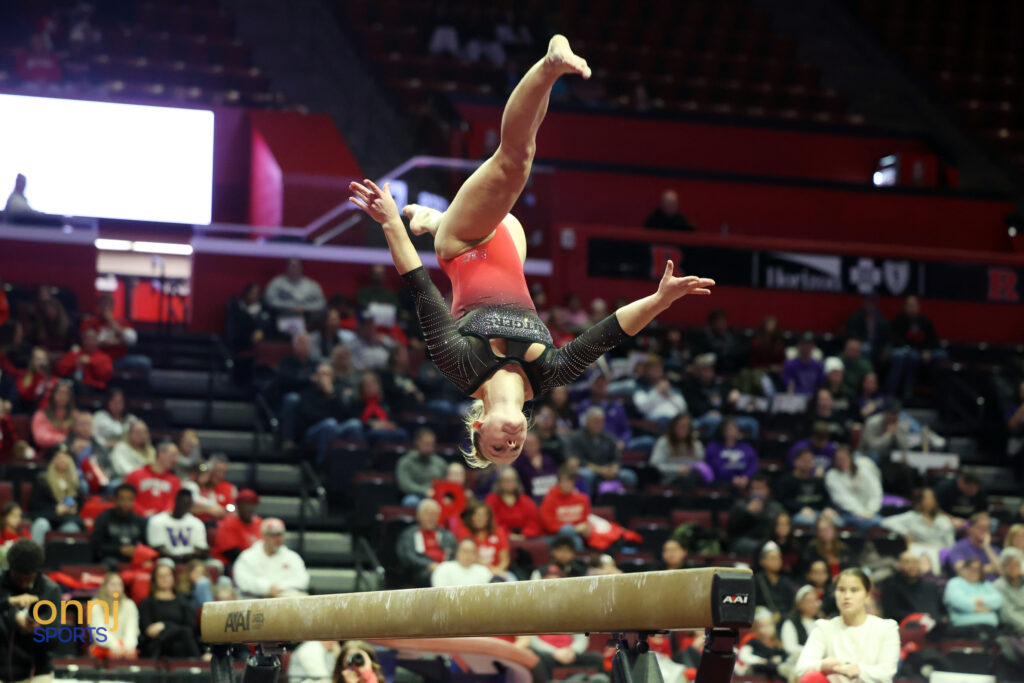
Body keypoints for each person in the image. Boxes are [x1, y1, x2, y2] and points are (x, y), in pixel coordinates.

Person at [350, 41, 714, 470]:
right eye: (515, 450)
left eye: (496, 447)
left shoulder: (461, 367)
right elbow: (609, 333)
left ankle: (549, 64)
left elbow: (420, 286)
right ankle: (433, 218)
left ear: (477, 426)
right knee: (515, 179)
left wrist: (390, 221)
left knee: (515, 160)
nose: (511, 443)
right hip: (509, 244)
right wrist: (660, 300)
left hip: (465, 244)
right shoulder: (548, 376)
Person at [794, 568, 899, 683]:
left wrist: (857, 670)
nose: (847, 596)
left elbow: (886, 672)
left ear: (867, 595)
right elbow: (801, 667)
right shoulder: (824, 628)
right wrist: (823, 665)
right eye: (841, 590)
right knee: (811, 678)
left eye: (854, 590)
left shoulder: (886, 628)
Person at [0, 540, 62, 682]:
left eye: (29, 579)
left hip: (37, 670)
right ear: (11, 569)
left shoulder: (50, 590)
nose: (24, 584)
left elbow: (54, 641)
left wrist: (36, 630)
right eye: (19, 579)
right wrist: (8, 602)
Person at [300, 362, 364, 467]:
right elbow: (308, 416)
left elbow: (346, 415)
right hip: (313, 431)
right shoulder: (308, 392)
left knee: (355, 424)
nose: (325, 378)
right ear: (315, 377)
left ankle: (357, 465)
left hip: (336, 427)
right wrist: (331, 417)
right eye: (322, 374)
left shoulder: (336, 393)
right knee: (330, 424)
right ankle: (324, 465)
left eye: (328, 374)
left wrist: (332, 396)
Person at [562, 406, 637, 491]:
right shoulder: (576, 437)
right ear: (587, 422)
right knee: (586, 474)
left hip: (607, 470)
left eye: (601, 422)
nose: (599, 425)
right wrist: (600, 470)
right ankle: (587, 502)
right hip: (590, 469)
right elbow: (578, 460)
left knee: (629, 476)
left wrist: (615, 468)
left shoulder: (608, 437)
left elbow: (616, 457)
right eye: (595, 422)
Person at [882, 488, 955, 574]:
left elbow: (951, 545)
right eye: (925, 498)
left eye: (931, 498)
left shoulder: (943, 520)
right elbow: (886, 522)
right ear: (920, 501)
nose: (928, 501)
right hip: (922, 552)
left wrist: (945, 555)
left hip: (943, 555)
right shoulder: (912, 517)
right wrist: (906, 532)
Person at [138, 561, 202, 658]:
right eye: (161, 576)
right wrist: (175, 629)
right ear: (155, 580)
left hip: (183, 642)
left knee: (183, 638)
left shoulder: (183, 602)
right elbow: (149, 631)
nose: (165, 579)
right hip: (158, 644)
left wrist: (164, 625)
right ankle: (198, 663)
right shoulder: (147, 603)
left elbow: (190, 628)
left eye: (168, 575)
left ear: (173, 578)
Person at [233, 517, 309, 598]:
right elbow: (243, 581)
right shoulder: (248, 556)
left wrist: (280, 587)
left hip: (284, 596)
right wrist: (267, 588)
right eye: (273, 535)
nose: (278, 539)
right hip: (254, 598)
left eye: (280, 534)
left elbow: (303, 580)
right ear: (263, 535)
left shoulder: (293, 557)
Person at [887, 296, 941, 400]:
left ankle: (935, 396)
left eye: (914, 305)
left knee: (940, 355)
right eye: (909, 305)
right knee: (904, 356)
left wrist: (926, 351)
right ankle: (892, 395)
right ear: (905, 307)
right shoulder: (899, 320)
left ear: (919, 307)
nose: (912, 308)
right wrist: (907, 348)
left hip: (920, 353)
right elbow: (893, 339)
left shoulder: (924, 322)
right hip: (903, 352)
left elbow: (934, 341)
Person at [28, 447, 84, 544]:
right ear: (53, 460)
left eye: (65, 457)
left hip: (65, 519)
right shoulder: (43, 479)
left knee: (72, 527)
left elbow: (79, 503)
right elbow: (34, 504)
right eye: (58, 457)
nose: (62, 460)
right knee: (41, 524)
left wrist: (73, 509)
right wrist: (55, 509)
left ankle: (64, 558)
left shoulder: (75, 483)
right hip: (46, 516)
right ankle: (37, 556)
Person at [397, 499, 457, 587]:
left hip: (446, 570)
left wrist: (444, 567)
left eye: (434, 514)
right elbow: (408, 556)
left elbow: (454, 554)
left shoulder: (447, 535)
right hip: (421, 572)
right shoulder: (409, 535)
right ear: (418, 515)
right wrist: (429, 564)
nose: (431, 518)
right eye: (427, 514)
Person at [824, 445, 882, 530]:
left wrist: (871, 510)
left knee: (879, 522)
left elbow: (876, 492)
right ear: (835, 461)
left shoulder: (864, 469)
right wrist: (860, 512)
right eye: (839, 459)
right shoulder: (832, 475)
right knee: (867, 523)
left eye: (844, 458)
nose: (842, 461)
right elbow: (843, 498)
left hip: (871, 512)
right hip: (847, 513)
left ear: (850, 457)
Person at [276, 332, 319, 447]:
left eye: (307, 344)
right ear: (294, 345)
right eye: (301, 343)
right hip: (287, 399)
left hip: (310, 398)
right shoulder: (286, 362)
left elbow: (316, 382)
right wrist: (308, 380)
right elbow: (286, 380)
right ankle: (287, 439)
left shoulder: (314, 364)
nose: (305, 346)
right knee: (293, 399)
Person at [90, 483, 148, 568]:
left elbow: (146, 546)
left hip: (135, 560)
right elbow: (96, 546)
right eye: (122, 499)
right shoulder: (104, 519)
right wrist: (119, 549)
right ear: (115, 500)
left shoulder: (140, 521)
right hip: (109, 560)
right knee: (111, 563)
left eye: (130, 499)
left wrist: (136, 551)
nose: (126, 503)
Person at [726, 473, 785, 556]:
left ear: (768, 489)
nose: (756, 492)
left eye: (760, 488)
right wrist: (747, 513)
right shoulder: (740, 505)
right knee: (765, 548)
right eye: (753, 489)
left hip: (768, 541)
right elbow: (731, 530)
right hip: (743, 541)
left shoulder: (775, 507)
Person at [880, 550, 944, 625]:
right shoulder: (891, 586)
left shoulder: (930, 587)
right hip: (907, 628)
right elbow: (891, 613)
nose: (911, 565)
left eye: (914, 562)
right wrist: (919, 617)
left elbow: (942, 611)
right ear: (899, 564)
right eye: (907, 562)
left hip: (936, 627)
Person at [943, 557, 1002, 637]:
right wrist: (983, 608)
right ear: (963, 570)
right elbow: (959, 602)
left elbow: (998, 600)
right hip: (964, 626)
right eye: (970, 569)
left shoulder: (985, 584)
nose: (973, 572)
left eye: (977, 570)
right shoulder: (955, 582)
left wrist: (978, 601)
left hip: (990, 624)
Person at [146, 488, 208, 562]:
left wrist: (184, 558)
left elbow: (200, 548)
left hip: (190, 560)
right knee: (166, 563)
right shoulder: (157, 520)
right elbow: (157, 547)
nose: (184, 506)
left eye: (187, 503)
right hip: (165, 559)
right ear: (176, 500)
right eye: (182, 502)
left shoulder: (197, 523)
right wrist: (176, 558)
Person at [775, 448, 833, 526]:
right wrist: (800, 509)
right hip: (796, 513)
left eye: (810, 460)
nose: (807, 463)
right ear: (795, 461)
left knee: (836, 521)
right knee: (811, 521)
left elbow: (827, 499)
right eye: (804, 460)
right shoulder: (786, 481)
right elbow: (783, 501)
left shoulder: (818, 481)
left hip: (818, 513)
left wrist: (827, 508)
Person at [89, 572, 139, 660]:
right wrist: (114, 645)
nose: (116, 588)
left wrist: (128, 646)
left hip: (126, 649)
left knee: (132, 654)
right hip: (104, 646)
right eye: (113, 585)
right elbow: (99, 631)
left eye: (119, 585)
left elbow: (132, 629)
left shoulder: (129, 604)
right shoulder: (95, 604)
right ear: (105, 587)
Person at [125, 440, 181, 517]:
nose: (175, 460)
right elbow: (126, 498)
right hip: (138, 519)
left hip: (163, 522)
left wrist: (164, 515)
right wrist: (142, 512)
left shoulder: (175, 481)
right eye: (173, 455)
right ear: (161, 453)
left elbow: (173, 502)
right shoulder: (135, 475)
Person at [539, 466, 591, 549]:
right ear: (559, 483)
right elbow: (549, 525)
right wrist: (574, 529)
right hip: (555, 537)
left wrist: (584, 529)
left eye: (570, 481)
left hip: (576, 536)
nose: (567, 484)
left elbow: (584, 522)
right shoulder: (549, 499)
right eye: (564, 481)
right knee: (569, 532)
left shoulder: (583, 499)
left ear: (574, 482)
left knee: (578, 537)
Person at [649, 413, 707, 486]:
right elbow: (655, 463)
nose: (684, 429)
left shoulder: (696, 444)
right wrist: (677, 469)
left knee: (695, 475)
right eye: (681, 426)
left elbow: (700, 463)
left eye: (687, 427)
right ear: (674, 427)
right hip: (669, 477)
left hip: (692, 476)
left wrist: (688, 469)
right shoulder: (664, 441)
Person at [483, 468, 543, 539]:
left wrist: (524, 535)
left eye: (512, 480)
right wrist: (508, 535)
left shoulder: (526, 500)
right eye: (506, 480)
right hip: (500, 537)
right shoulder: (491, 500)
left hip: (525, 538)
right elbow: (491, 522)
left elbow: (534, 523)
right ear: (499, 482)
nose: (509, 483)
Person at [396, 428, 447, 507]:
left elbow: (446, 481)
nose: (430, 448)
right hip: (416, 496)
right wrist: (425, 491)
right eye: (426, 444)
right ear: (417, 443)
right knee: (411, 501)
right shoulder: (406, 462)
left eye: (432, 444)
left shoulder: (440, 462)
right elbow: (405, 485)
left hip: (437, 496)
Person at [458, 502, 511, 579]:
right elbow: (467, 557)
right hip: (474, 572)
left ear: (488, 518)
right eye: (477, 515)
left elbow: (505, 560)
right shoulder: (465, 533)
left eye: (483, 515)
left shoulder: (498, 532)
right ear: (471, 517)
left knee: (511, 579)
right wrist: (491, 570)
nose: (480, 518)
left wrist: (498, 571)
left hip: (499, 571)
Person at [354, 371, 408, 445]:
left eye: (373, 384)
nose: (371, 388)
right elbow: (358, 423)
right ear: (362, 388)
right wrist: (374, 425)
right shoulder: (358, 404)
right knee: (380, 434)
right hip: (368, 431)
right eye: (368, 385)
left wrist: (389, 425)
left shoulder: (384, 403)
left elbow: (392, 419)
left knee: (402, 432)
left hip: (387, 428)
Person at [705, 417, 759, 489]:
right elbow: (715, 466)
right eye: (729, 428)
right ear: (722, 430)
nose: (733, 431)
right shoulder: (714, 447)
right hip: (722, 482)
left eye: (735, 428)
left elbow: (754, 465)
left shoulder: (746, 447)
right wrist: (732, 477)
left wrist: (746, 477)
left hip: (744, 481)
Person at [212, 488, 262, 564]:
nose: (247, 508)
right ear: (238, 505)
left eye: (250, 504)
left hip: (256, 564)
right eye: (244, 504)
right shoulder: (228, 523)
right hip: (232, 565)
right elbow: (232, 553)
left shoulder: (260, 523)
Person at [56, 328, 113, 393]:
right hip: (75, 386)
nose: (90, 342)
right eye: (88, 339)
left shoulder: (103, 357)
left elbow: (106, 374)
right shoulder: (76, 353)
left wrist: (91, 362)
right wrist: (75, 364)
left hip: (95, 388)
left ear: (97, 340)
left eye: (92, 339)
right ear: (83, 340)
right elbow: (61, 368)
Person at [738, 607, 789, 679]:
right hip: (757, 670)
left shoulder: (776, 643)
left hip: (772, 671)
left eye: (770, 625)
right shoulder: (753, 641)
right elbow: (743, 656)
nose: (767, 629)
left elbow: (783, 655)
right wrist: (758, 660)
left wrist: (779, 659)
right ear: (755, 627)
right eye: (762, 626)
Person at [946, 511, 1001, 577]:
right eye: (981, 527)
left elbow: (1001, 571)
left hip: (991, 586)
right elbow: (962, 570)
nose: (985, 531)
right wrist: (989, 568)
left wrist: (987, 547)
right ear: (971, 529)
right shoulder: (959, 547)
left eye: (988, 527)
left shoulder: (993, 550)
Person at [225, 283, 273, 355]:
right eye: (253, 293)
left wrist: (261, 330)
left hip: (261, 342)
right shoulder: (237, 307)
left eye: (257, 294)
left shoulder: (263, 307)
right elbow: (235, 329)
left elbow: (268, 325)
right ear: (246, 294)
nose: (255, 296)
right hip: (241, 341)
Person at [755, 541, 796, 622]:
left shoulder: (786, 582)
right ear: (762, 561)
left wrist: (782, 616)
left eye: (779, 557)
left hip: (786, 620)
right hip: (764, 621)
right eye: (773, 558)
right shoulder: (756, 581)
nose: (777, 561)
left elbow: (793, 606)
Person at [30, 378, 75, 450]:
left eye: (66, 394)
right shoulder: (41, 415)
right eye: (60, 393)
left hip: (72, 451)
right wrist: (64, 439)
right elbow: (40, 438)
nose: (63, 396)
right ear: (53, 394)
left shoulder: (74, 415)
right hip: (49, 453)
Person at [781, 586, 822, 663]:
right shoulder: (790, 623)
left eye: (815, 601)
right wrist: (812, 652)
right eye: (809, 601)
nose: (813, 604)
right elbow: (789, 647)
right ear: (799, 604)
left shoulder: (820, 622)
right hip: (797, 662)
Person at [513, 431, 558, 500]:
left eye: (532, 444)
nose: (529, 447)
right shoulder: (519, 463)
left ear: (538, 444)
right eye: (526, 444)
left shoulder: (549, 460)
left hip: (551, 498)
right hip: (530, 500)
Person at [12, 346, 57, 411]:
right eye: (37, 359)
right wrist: (37, 375)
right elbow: (26, 396)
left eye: (43, 359)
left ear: (47, 361)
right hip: (29, 410)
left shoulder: (53, 380)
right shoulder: (23, 376)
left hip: (49, 412)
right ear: (32, 361)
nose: (41, 362)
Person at [783, 333, 825, 397]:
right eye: (803, 344)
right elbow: (789, 385)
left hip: (814, 400)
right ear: (798, 346)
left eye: (809, 344)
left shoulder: (818, 365)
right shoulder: (790, 365)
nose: (806, 348)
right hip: (796, 399)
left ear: (813, 346)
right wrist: (804, 394)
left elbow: (821, 385)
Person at [995, 548, 1024, 636]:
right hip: (1014, 630)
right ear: (1003, 567)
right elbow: (1007, 614)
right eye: (1008, 564)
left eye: (1016, 564)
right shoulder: (998, 585)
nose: (1013, 567)